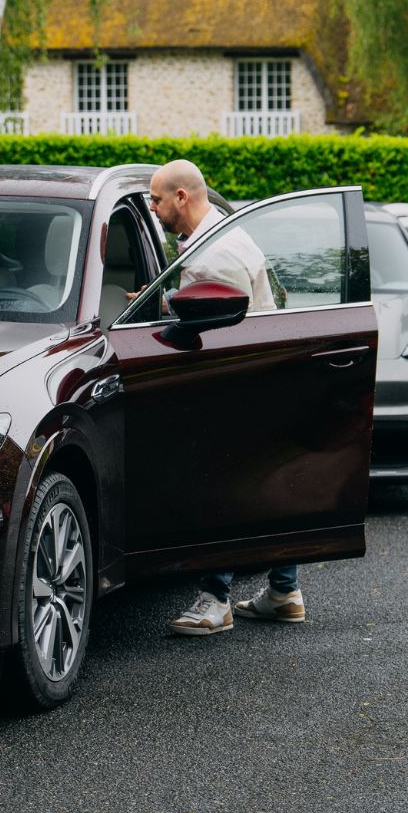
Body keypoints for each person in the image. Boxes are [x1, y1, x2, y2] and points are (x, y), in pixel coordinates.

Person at [146, 160, 304, 635]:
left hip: (237, 389)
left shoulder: (214, 256)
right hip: (265, 383)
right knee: (264, 489)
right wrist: (167, 298)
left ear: (181, 198)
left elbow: (216, 327)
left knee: (220, 489)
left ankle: (216, 601)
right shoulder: (220, 234)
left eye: (155, 199)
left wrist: (173, 308)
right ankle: (283, 591)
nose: (152, 208)